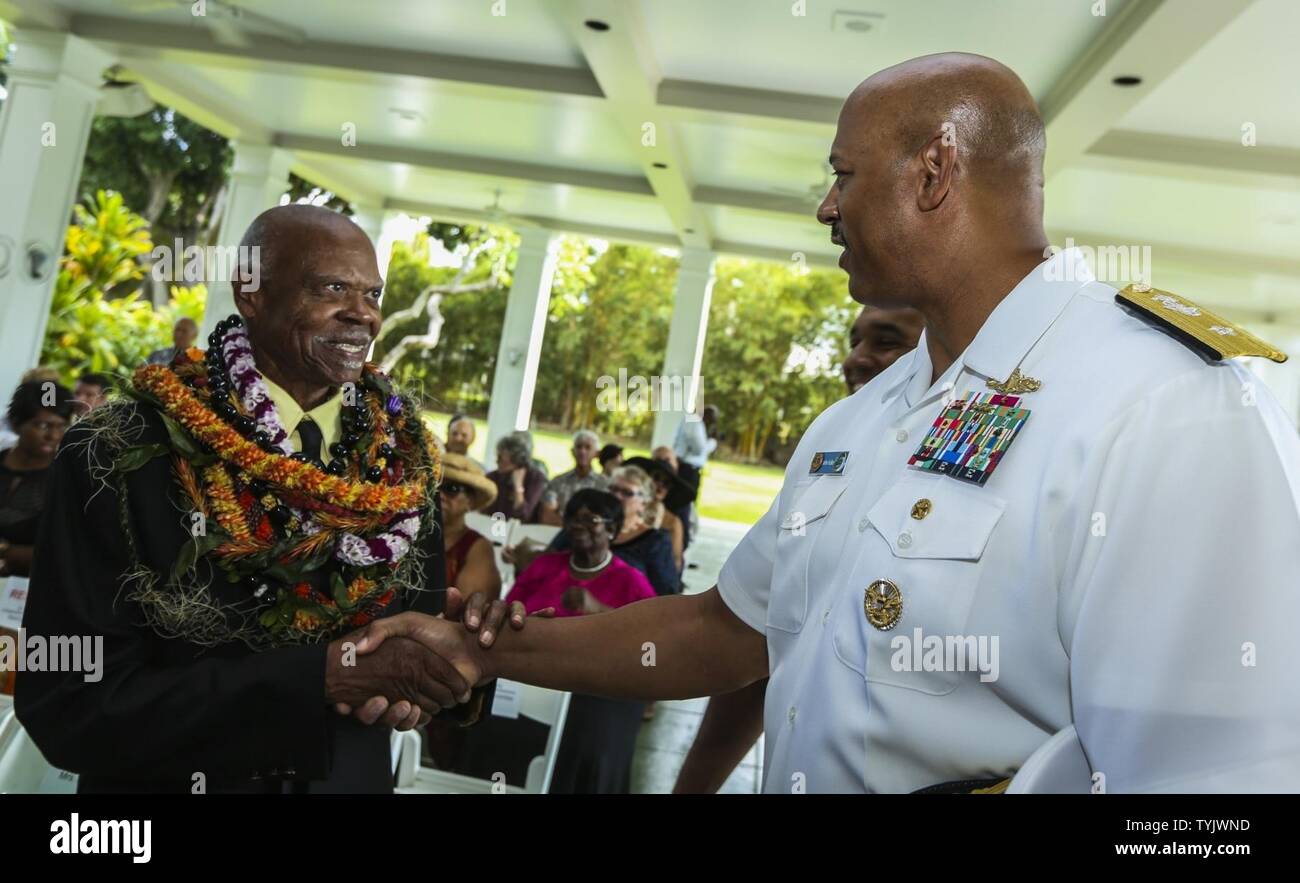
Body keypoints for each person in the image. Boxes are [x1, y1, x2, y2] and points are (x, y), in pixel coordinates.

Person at [339, 53, 1300, 794]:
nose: (825, 207)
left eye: (843, 174)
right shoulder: (862, 422)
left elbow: (1212, 802)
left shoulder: (1167, 405)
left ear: (936, 173)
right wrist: (486, 647)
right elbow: (731, 629)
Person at [14, 204, 503, 793]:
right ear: (250, 292)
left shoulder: (404, 459)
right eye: (331, 288)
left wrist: (446, 673)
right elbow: (69, 706)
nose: (364, 315)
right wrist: (318, 678)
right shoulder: (118, 450)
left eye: (373, 294)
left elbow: (412, 643)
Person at [674, 303, 924, 793]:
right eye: (855, 341)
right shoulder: (833, 446)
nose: (855, 359)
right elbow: (755, 636)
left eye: (887, 341)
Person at [505, 488, 655, 792]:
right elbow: (510, 609)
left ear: (611, 530)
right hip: (533, 673)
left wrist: (597, 610)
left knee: (587, 738)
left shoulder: (631, 581)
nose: (577, 525)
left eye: (591, 519)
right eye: (573, 517)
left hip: (600, 686)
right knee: (500, 722)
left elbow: (650, 648)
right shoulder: (546, 567)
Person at [0, 381, 76, 579]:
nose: (53, 435)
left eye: (61, 426)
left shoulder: (66, 480)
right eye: (43, 425)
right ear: (16, 423)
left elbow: (64, 552)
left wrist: (6, 552)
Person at [439, 452, 500, 600]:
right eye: (432, 485)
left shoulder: (477, 547)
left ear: (470, 501)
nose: (439, 494)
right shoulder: (405, 531)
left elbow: (464, 611)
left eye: (451, 489)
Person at [623, 455, 685, 574]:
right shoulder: (629, 508)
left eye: (666, 483)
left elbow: (675, 564)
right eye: (656, 478)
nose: (660, 486)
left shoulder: (672, 522)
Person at [537, 429, 608, 526]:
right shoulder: (558, 481)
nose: (582, 451)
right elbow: (546, 515)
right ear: (572, 451)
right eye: (579, 447)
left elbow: (603, 519)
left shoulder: (604, 484)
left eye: (588, 447)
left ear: (596, 454)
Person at [483, 433, 547, 522]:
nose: (496, 461)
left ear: (516, 459)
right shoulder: (492, 477)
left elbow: (523, 515)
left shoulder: (535, 479)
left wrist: (518, 487)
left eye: (501, 457)